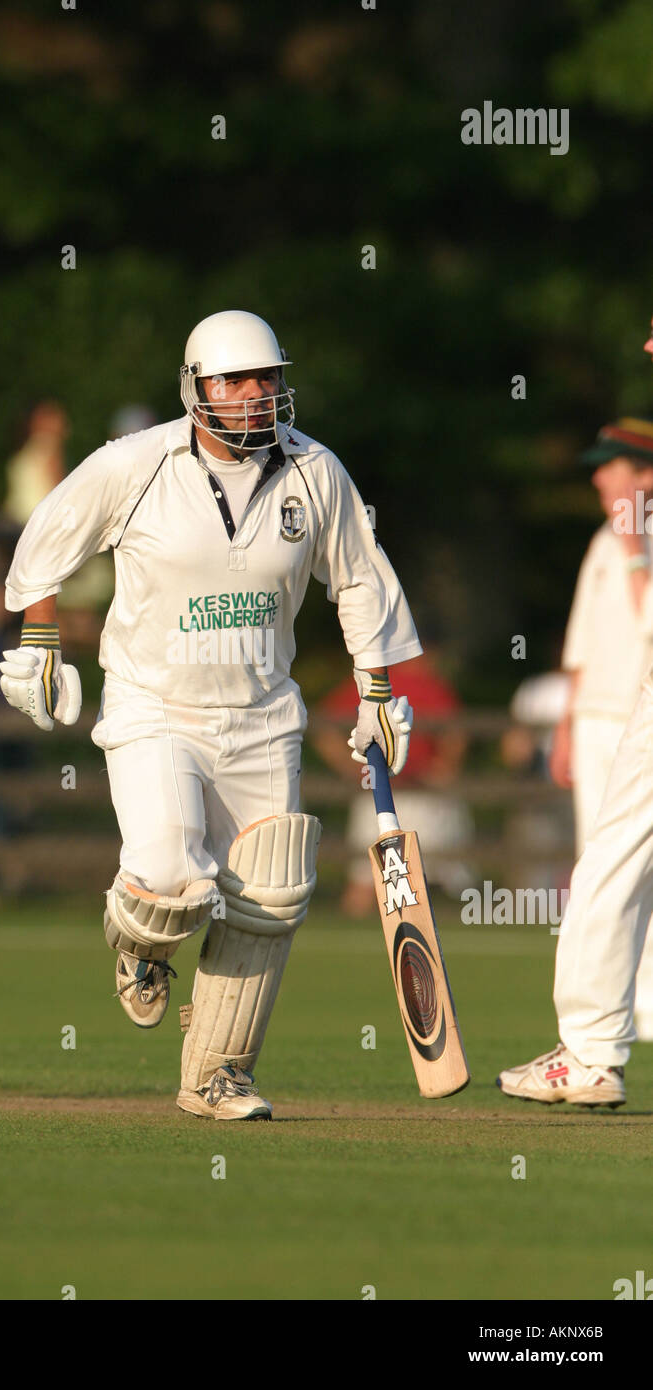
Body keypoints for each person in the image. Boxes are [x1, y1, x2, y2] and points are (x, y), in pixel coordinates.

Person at [0, 309, 422, 1120]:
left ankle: (218, 1074)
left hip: (262, 714)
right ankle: (140, 947)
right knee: (168, 880)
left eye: (267, 378)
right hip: (155, 702)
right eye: (237, 380)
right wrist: (41, 637)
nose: (257, 394)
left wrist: (376, 691)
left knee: (269, 895)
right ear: (198, 388)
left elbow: (362, 578)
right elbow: (52, 531)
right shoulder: (139, 464)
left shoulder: (314, 472)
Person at [498, 321, 653, 1108]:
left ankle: (591, 1052)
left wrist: (634, 536)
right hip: (605, 713)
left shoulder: (635, 523)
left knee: (612, 856)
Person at [312, 651, 471, 915]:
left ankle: (358, 944)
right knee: (413, 881)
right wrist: (444, 768)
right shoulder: (423, 684)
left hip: (385, 791)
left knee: (368, 878)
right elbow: (456, 733)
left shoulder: (373, 682)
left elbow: (323, 727)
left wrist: (352, 768)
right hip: (414, 794)